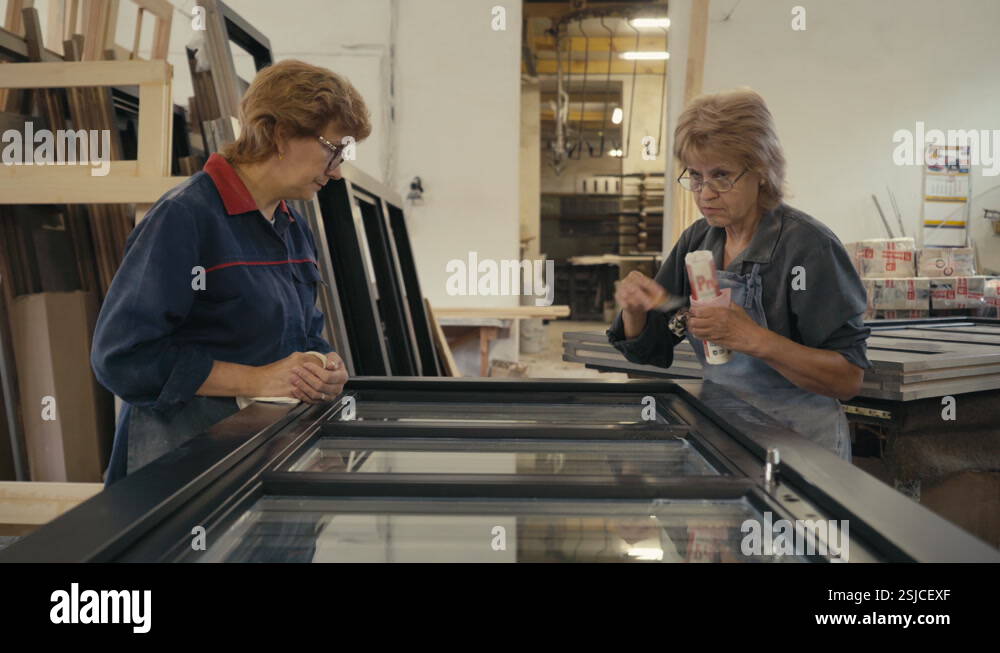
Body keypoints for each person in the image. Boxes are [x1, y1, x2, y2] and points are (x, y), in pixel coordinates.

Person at [92, 60, 371, 485]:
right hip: (184, 474)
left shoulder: (291, 226)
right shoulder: (185, 218)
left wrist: (324, 366)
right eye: (333, 149)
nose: (336, 170)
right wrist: (256, 379)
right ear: (279, 134)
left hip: (267, 465)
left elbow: (303, 334)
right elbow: (122, 357)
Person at [608, 89, 869, 460]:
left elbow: (847, 379)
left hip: (803, 447)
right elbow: (651, 350)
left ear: (761, 170)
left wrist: (753, 339)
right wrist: (634, 312)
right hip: (727, 435)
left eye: (722, 176)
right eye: (695, 177)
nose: (705, 194)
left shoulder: (808, 248)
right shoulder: (699, 241)